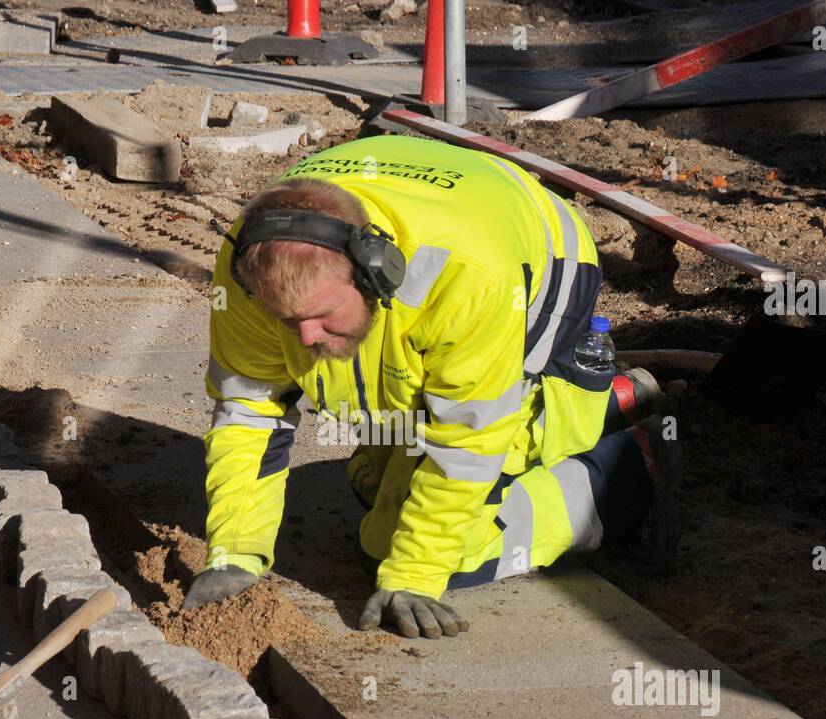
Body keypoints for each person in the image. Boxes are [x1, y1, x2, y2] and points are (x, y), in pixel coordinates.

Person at [182, 134, 680, 639]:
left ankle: (628, 470)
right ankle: (609, 400)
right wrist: (233, 554)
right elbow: (249, 413)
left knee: (418, 551)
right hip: (445, 208)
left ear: (375, 274)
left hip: (539, 257)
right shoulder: (252, 266)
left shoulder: (468, 279)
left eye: (322, 316)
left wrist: (415, 576)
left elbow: (467, 440)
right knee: (370, 481)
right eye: (287, 321)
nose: (306, 337)